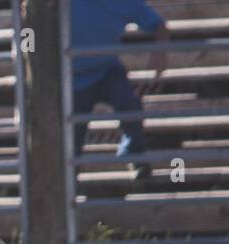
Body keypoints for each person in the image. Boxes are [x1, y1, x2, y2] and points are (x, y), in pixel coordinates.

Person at [70, 0, 169, 177]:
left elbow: (159, 24)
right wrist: (29, 49)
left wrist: (160, 50)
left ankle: (134, 157)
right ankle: (69, 176)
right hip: (72, 76)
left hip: (107, 69)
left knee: (130, 105)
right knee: (72, 133)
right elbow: (30, 27)